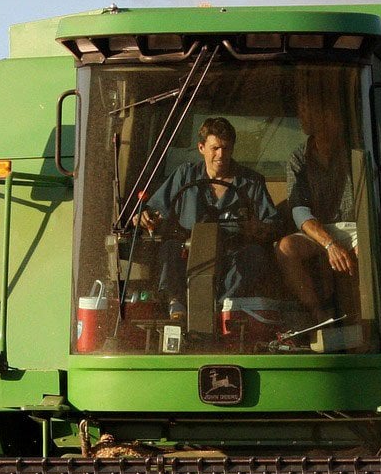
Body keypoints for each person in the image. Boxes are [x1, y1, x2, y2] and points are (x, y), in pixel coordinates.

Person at [138, 116, 280, 323]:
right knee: (169, 248)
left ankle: (222, 311)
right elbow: (155, 211)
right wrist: (146, 217)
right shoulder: (185, 175)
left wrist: (258, 228)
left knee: (253, 255)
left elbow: (272, 223)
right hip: (188, 249)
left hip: (232, 252)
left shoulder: (252, 181)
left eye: (226, 148)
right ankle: (177, 308)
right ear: (201, 147)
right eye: (215, 148)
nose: (221, 155)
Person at [275, 81, 358, 322]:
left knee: (367, 252)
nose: (301, 115)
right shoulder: (298, 159)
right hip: (320, 232)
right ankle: (319, 317)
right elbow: (299, 211)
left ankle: (362, 323)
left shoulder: (354, 152)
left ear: (327, 115)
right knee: (286, 248)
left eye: (306, 109)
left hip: (355, 228)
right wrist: (330, 244)